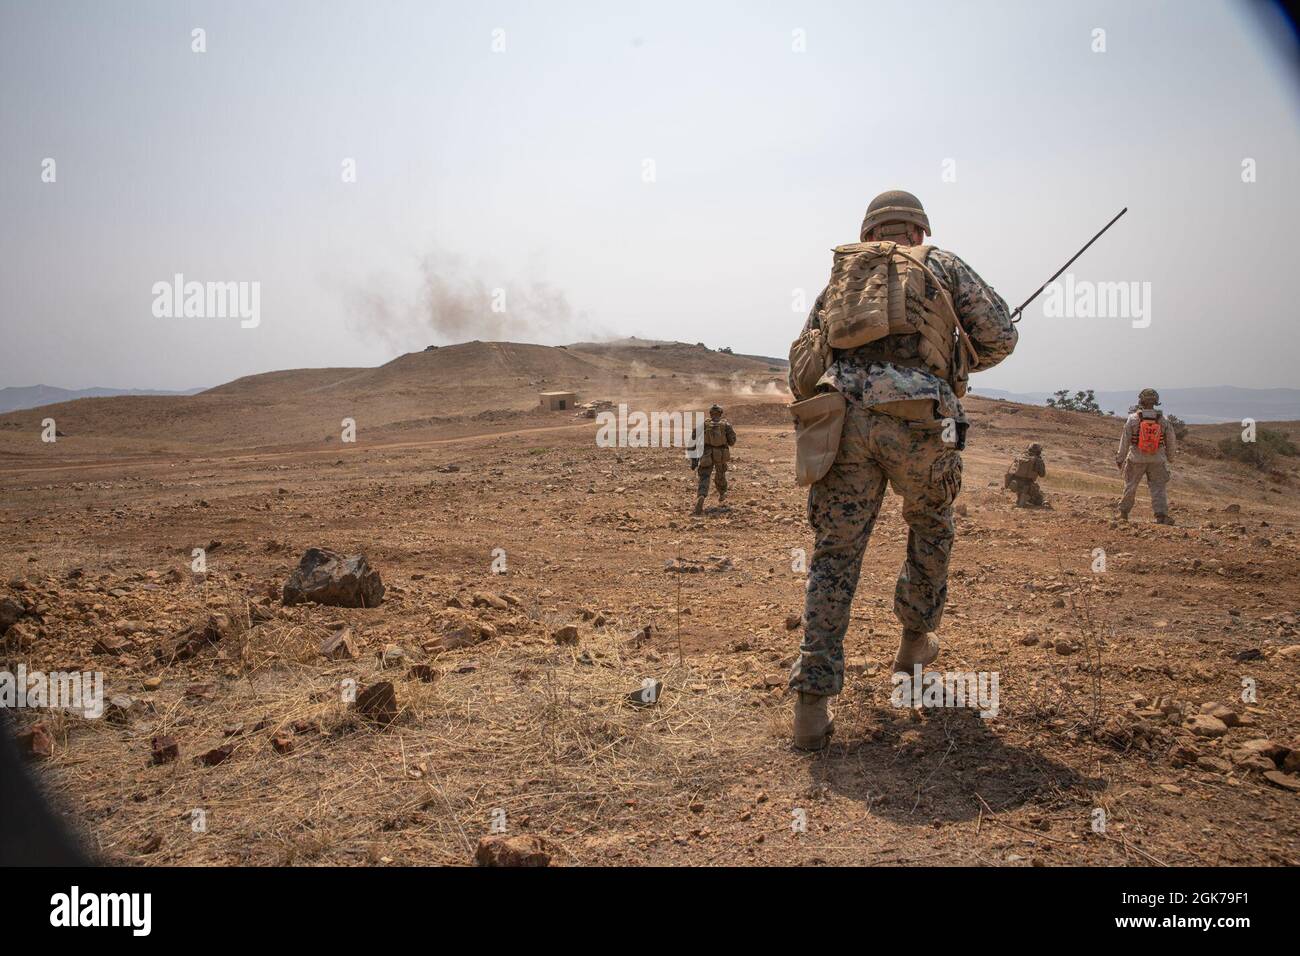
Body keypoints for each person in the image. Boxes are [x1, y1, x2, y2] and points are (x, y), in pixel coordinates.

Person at [788, 189, 1018, 750]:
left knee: (835, 554)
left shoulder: (842, 277)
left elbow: (802, 360)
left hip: (843, 424)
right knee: (931, 524)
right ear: (920, 230)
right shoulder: (941, 264)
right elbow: (1001, 337)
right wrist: (952, 361)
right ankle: (914, 648)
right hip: (923, 422)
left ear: (868, 233)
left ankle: (811, 708)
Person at [1117, 387, 1176, 524]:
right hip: (1157, 459)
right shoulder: (1164, 420)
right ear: (1156, 401)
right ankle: (1161, 516)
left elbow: (1125, 440)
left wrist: (1120, 458)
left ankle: (1123, 514)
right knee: (1158, 488)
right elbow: (1171, 441)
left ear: (1141, 400)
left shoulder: (1132, 419)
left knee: (1130, 485)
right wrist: (1170, 457)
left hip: (1136, 458)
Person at [690, 403, 736, 515]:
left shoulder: (704, 425)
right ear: (720, 414)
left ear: (711, 414)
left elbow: (693, 441)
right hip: (720, 454)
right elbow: (732, 441)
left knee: (704, 476)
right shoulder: (726, 425)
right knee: (720, 474)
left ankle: (701, 495)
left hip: (706, 454)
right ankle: (722, 493)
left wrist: (694, 460)